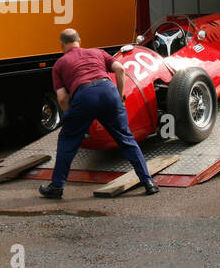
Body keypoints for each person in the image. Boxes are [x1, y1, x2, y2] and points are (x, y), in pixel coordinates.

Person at [39, 27, 158, 199]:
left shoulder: (60, 64)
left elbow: (62, 97)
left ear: (62, 46)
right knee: (126, 139)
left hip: (84, 95)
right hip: (108, 91)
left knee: (67, 140)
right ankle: (148, 182)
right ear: (80, 41)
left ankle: (57, 187)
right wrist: (119, 95)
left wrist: (70, 116)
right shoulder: (97, 52)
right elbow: (120, 69)